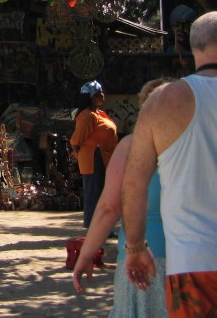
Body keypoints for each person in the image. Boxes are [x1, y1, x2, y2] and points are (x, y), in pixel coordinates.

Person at [122, 11, 217, 316]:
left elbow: (134, 182)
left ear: (192, 49)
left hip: (193, 262)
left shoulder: (164, 102)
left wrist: (135, 247)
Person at [72, 78, 171, 317]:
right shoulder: (195, 145)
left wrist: (86, 254)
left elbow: (109, 207)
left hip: (143, 256)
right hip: (193, 255)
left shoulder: (131, 145)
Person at [70, 79, 118, 228]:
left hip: (102, 157)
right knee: (95, 194)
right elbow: (76, 140)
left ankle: (101, 226)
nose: (103, 95)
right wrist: (79, 155)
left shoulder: (98, 113)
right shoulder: (87, 116)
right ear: (91, 97)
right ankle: (96, 227)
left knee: (102, 193)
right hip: (93, 158)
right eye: (99, 93)